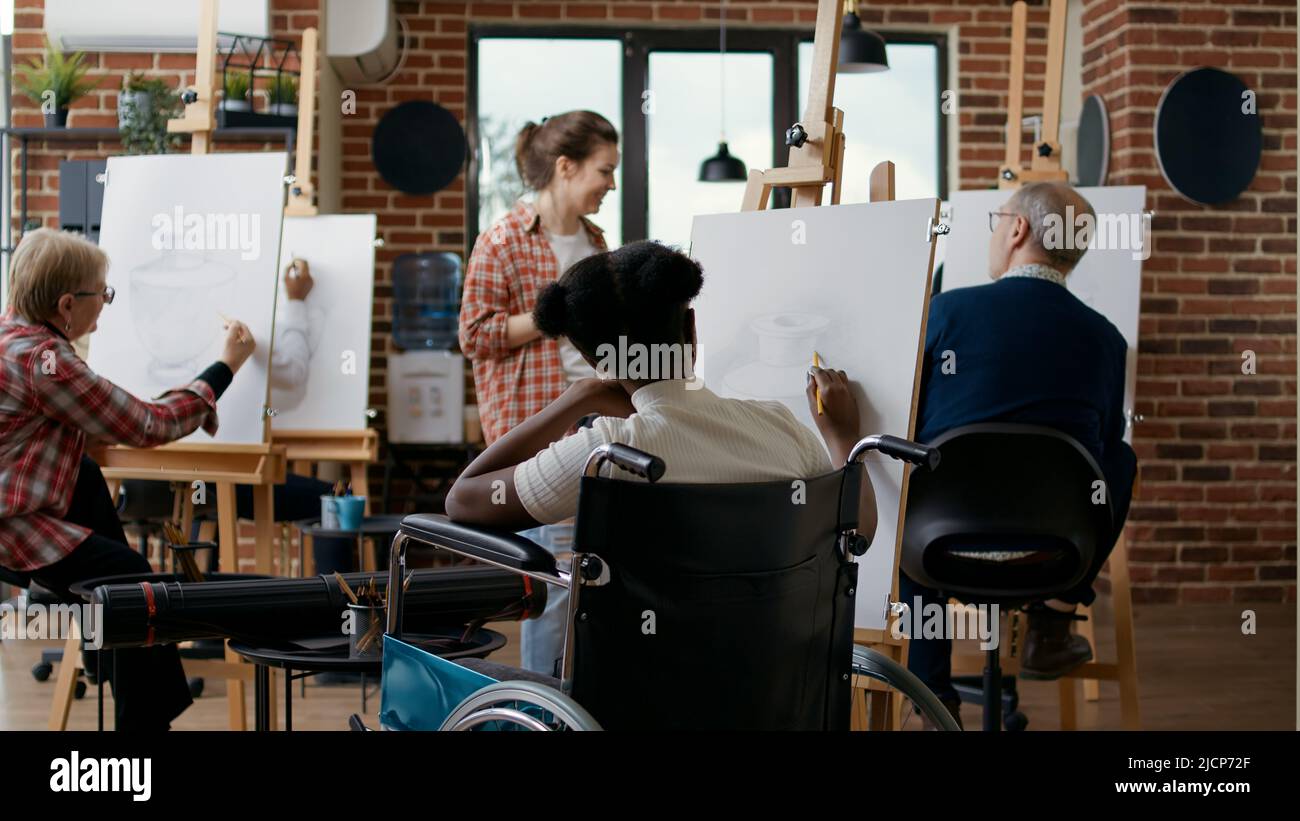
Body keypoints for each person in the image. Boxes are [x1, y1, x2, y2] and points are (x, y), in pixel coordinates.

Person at [445, 241, 877, 677]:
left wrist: (575, 399)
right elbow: (858, 532)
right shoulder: (780, 427)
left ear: (592, 359)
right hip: (773, 685)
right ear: (691, 330)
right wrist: (842, 435)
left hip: (640, 694)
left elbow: (463, 500)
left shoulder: (607, 453)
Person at [0, 228, 256, 730]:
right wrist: (225, 367)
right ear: (67, 304)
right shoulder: (45, 361)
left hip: (20, 504)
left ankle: (109, 659)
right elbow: (148, 424)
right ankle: (142, 728)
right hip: (11, 524)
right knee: (136, 589)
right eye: (104, 294)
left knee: (88, 476)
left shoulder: (14, 335)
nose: (107, 304)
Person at [905, 182, 1138, 727]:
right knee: (1120, 459)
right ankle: (1052, 626)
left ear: (1017, 230)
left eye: (997, 219)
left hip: (937, 550)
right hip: (1053, 557)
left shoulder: (945, 313)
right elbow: (1104, 455)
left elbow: (906, 421)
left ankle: (933, 695)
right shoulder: (1105, 340)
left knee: (908, 465)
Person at [458, 110, 620, 671]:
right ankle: (539, 711)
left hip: (603, 423)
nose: (612, 185)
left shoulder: (598, 242)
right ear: (566, 167)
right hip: (539, 431)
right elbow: (474, 334)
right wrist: (547, 318)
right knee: (553, 585)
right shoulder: (503, 239)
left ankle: (576, 701)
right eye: (605, 170)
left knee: (594, 577)